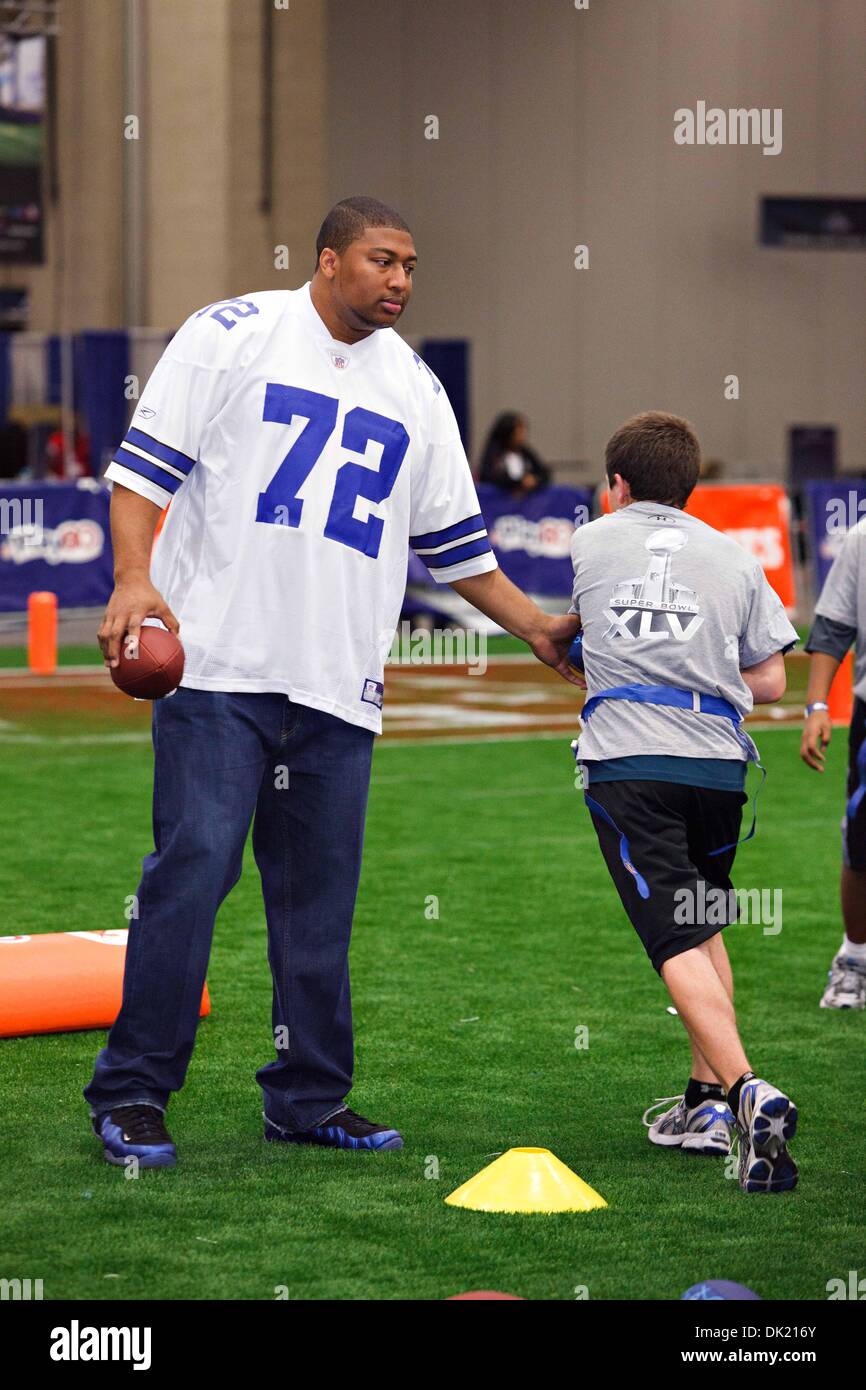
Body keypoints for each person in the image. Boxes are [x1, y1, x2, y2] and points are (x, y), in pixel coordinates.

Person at [85, 196, 580, 1168]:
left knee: (316, 904)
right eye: (381, 260)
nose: (398, 279)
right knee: (190, 874)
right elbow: (141, 475)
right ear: (325, 260)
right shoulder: (231, 335)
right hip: (221, 671)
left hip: (335, 686)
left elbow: (454, 548)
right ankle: (134, 1090)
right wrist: (134, 576)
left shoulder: (417, 389)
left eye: (408, 266)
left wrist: (533, 626)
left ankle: (306, 1097)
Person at [570, 411, 800, 1194]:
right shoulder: (734, 558)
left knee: (670, 935)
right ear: (690, 488)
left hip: (630, 763)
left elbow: (581, 632)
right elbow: (770, 680)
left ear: (618, 486)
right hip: (718, 772)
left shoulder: (590, 542)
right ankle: (702, 1103)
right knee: (703, 922)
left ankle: (743, 1091)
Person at [800, 523, 866, 1008]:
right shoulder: (864, 537)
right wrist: (816, 706)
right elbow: (833, 626)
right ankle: (855, 959)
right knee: (862, 835)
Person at [478, 411, 551, 493]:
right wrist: (518, 483)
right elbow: (488, 477)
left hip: (525, 503)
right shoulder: (494, 454)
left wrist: (535, 480)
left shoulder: (525, 453)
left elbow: (544, 473)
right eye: (519, 432)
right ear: (508, 433)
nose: (522, 435)